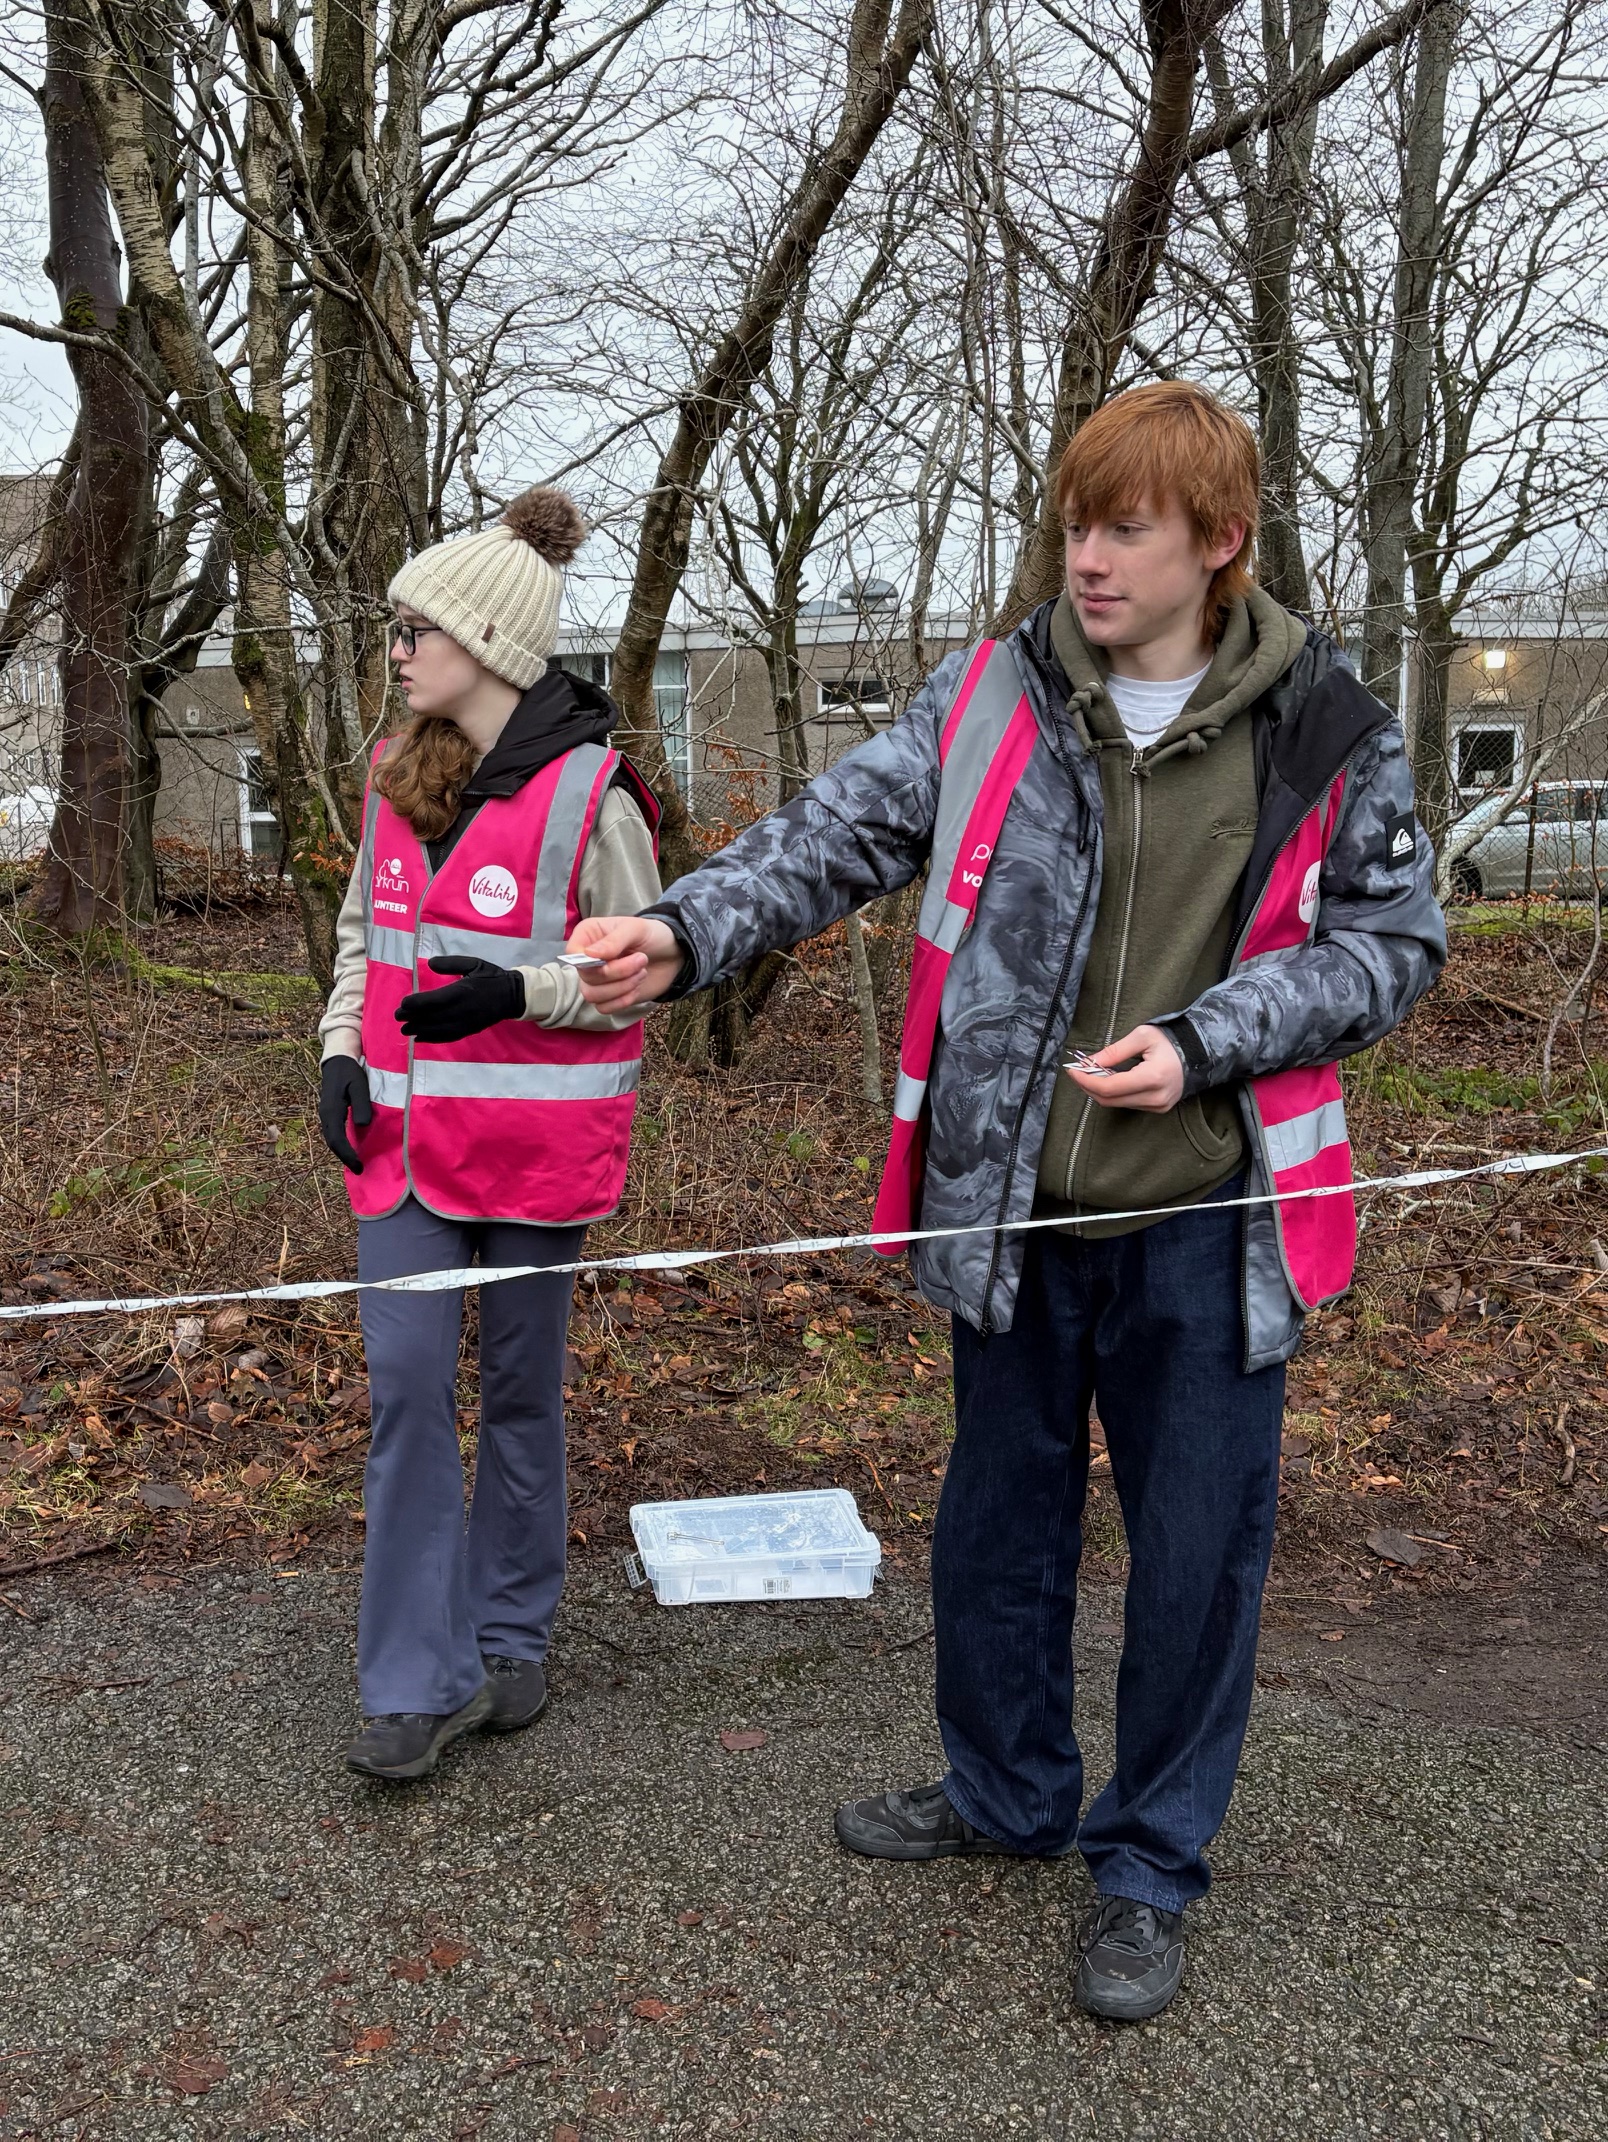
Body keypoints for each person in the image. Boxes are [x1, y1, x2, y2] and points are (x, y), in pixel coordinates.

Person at [565, 384, 1445, 2018]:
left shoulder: (1327, 721)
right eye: (1073, 523)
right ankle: (1008, 1795)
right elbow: (833, 833)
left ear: (1219, 545)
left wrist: (1206, 1042)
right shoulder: (995, 691)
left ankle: (1148, 1863)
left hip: (1207, 1224)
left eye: (1126, 528)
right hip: (1013, 1218)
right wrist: (680, 933)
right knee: (994, 1539)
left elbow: (1395, 948)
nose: (1086, 559)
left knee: (1194, 1561)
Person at [316, 487, 661, 1782]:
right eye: (396, 627)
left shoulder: (594, 796)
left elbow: (645, 970)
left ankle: (512, 1630)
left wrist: (526, 989)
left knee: (520, 1393)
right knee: (408, 1390)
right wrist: (342, 1048)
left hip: (533, 1160)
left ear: (490, 647)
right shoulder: (390, 773)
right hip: (400, 1150)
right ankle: (415, 1679)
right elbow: (366, 936)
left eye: (417, 629)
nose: (397, 649)